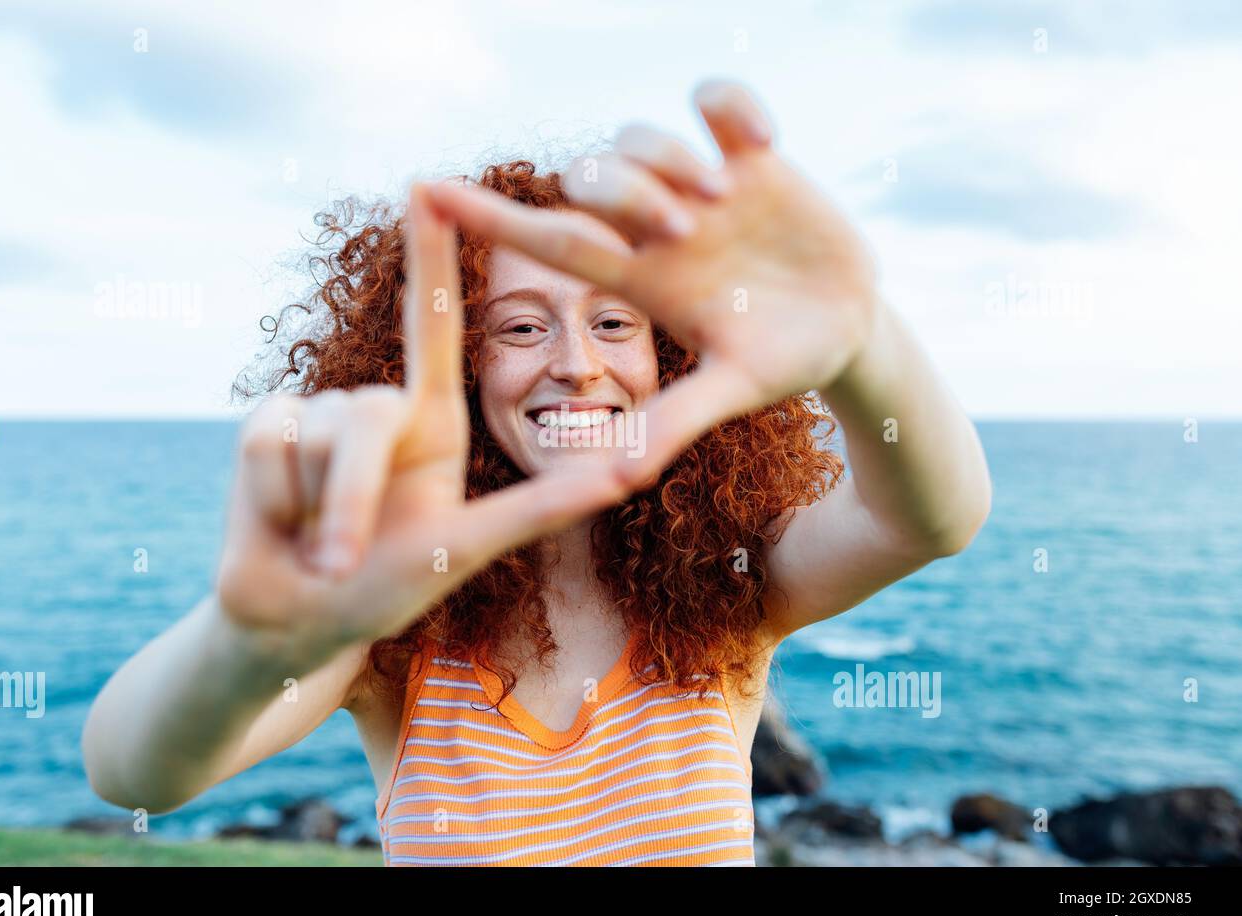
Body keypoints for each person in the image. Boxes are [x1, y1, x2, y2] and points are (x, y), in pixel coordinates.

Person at [82, 80, 992, 866]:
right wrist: (249, 646)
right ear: (459, 367)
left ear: (669, 354)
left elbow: (930, 518)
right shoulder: (392, 631)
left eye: (615, 323)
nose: (577, 365)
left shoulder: (734, 588)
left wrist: (859, 340)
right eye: (521, 327)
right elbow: (136, 772)